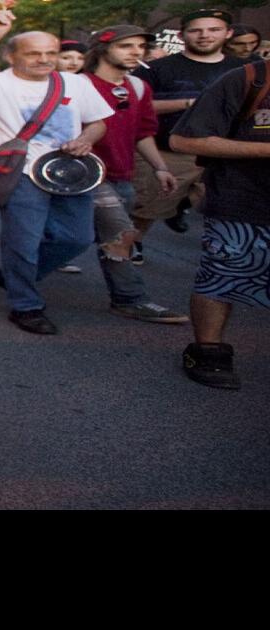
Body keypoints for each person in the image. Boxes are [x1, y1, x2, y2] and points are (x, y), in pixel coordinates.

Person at [0, 8, 112, 335]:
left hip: (70, 172)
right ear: (11, 56)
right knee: (23, 243)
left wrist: (85, 138)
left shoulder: (73, 82)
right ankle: (25, 305)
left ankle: (16, 275)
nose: (44, 59)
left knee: (77, 237)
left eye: (51, 53)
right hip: (20, 174)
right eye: (34, 53)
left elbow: (98, 122)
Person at [169, 59, 269, 390]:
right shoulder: (250, 79)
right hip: (244, 202)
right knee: (221, 277)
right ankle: (208, 351)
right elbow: (184, 140)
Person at [81, 25, 188, 324]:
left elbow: (143, 133)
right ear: (103, 48)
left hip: (122, 175)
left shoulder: (139, 87)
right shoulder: (78, 84)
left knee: (79, 237)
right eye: (126, 46)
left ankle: (19, 273)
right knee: (120, 234)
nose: (136, 52)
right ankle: (131, 299)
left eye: (140, 47)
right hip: (88, 176)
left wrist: (160, 168)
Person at [131, 9, 244, 261]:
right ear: (182, 35)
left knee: (228, 209)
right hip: (166, 151)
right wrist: (192, 103)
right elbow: (134, 106)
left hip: (225, 152)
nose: (204, 36)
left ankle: (228, 258)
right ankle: (129, 245)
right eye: (196, 30)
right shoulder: (155, 68)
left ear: (228, 33)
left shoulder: (244, 68)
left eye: (214, 29)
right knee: (146, 209)